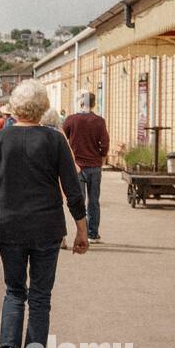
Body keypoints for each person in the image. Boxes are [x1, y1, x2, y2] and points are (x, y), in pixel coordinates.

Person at [0, 79, 88, 348]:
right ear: (42, 108)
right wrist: (81, 230)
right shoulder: (55, 140)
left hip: (9, 228)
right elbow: (72, 190)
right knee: (40, 299)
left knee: (14, 292)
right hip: (47, 229)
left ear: (15, 108)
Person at [63, 90, 110, 244]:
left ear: (81, 103)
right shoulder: (99, 121)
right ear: (94, 103)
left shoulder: (71, 120)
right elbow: (105, 144)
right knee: (94, 201)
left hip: (77, 166)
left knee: (79, 201)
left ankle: (80, 232)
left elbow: (63, 138)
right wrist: (101, 157)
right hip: (94, 166)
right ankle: (93, 233)